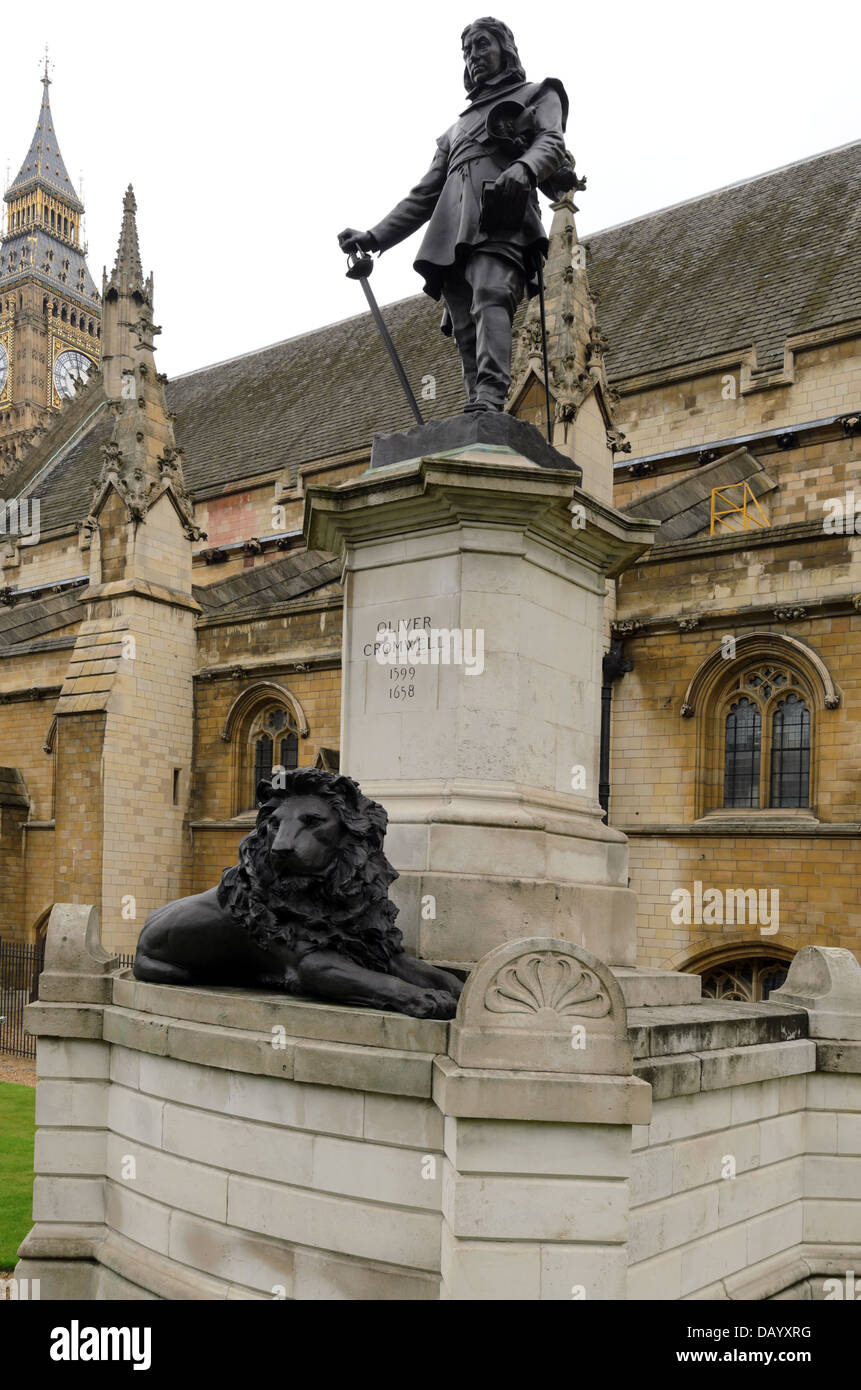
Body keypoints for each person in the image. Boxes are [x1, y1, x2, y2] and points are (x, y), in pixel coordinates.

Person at [338, 17, 569, 413]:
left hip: (501, 215)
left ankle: (492, 398)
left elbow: (551, 141)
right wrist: (374, 237)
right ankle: (475, 405)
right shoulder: (455, 130)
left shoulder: (537, 93)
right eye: (467, 51)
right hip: (453, 232)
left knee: (491, 292)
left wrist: (525, 167)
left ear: (504, 48)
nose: (474, 57)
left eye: (482, 45)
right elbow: (425, 194)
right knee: (464, 322)